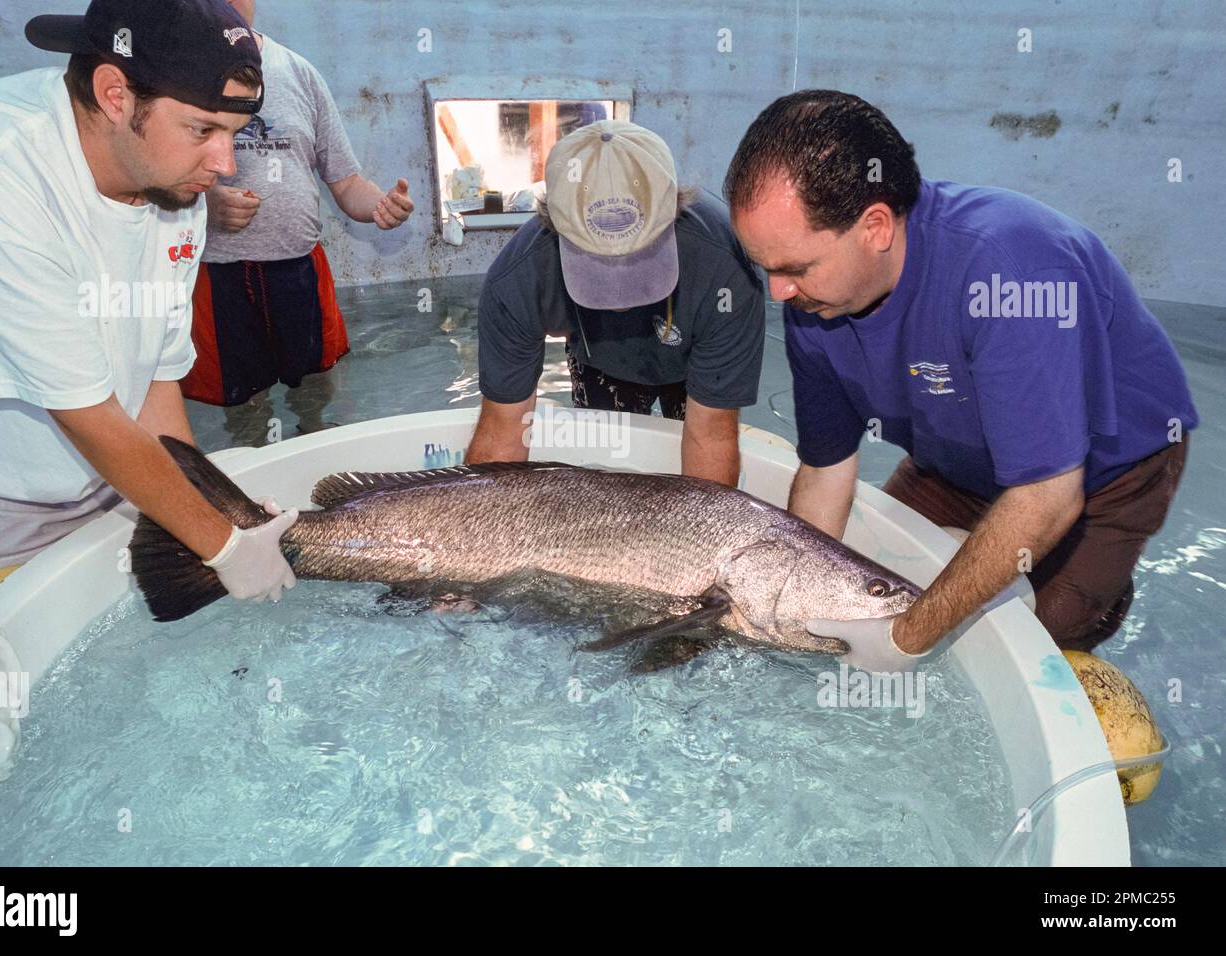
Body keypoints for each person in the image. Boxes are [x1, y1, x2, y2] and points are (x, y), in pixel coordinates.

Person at [725, 90, 1196, 671]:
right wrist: (786, 609)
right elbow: (825, 471)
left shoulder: (1010, 272)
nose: (778, 293)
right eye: (766, 268)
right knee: (862, 593)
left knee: (1020, 647)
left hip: (1101, 476)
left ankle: (1096, 582)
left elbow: (1046, 495)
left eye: (795, 268)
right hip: (951, 460)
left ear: (875, 226)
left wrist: (903, 641)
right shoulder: (814, 304)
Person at [0, 0, 298, 611]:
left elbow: (155, 375)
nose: (224, 164)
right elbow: (85, 412)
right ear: (116, 95)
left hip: (119, 492)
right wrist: (227, 547)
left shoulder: (173, 181)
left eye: (234, 135)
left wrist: (218, 509)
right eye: (203, 130)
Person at [467, 120, 766, 486]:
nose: (620, 301)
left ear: (673, 213)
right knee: (604, 471)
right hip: (601, 362)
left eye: (638, 262)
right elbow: (504, 432)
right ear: (554, 226)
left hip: (693, 364)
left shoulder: (725, 269)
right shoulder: (517, 282)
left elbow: (712, 436)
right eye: (597, 269)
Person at [180, 0, 414, 415]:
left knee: (316, 389)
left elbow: (346, 182)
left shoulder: (298, 73)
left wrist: (380, 205)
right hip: (218, 274)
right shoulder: (173, 71)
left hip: (298, 270)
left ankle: (317, 454)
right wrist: (204, 203)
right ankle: (253, 466)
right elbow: (146, 181)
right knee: (242, 405)